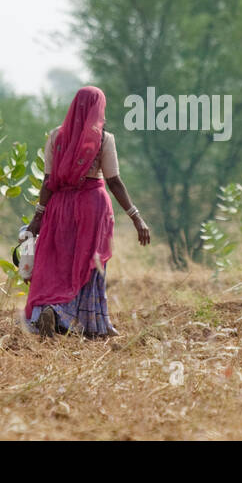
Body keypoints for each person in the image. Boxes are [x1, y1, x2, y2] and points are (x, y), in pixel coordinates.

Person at [25, 86, 150, 338]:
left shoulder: (55, 137)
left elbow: (48, 181)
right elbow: (114, 181)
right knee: (89, 262)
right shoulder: (103, 138)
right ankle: (91, 323)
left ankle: (52, 310)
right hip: (92, 206)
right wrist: (136, 217)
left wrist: (38, 216)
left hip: (59, 206)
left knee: (59, 262)